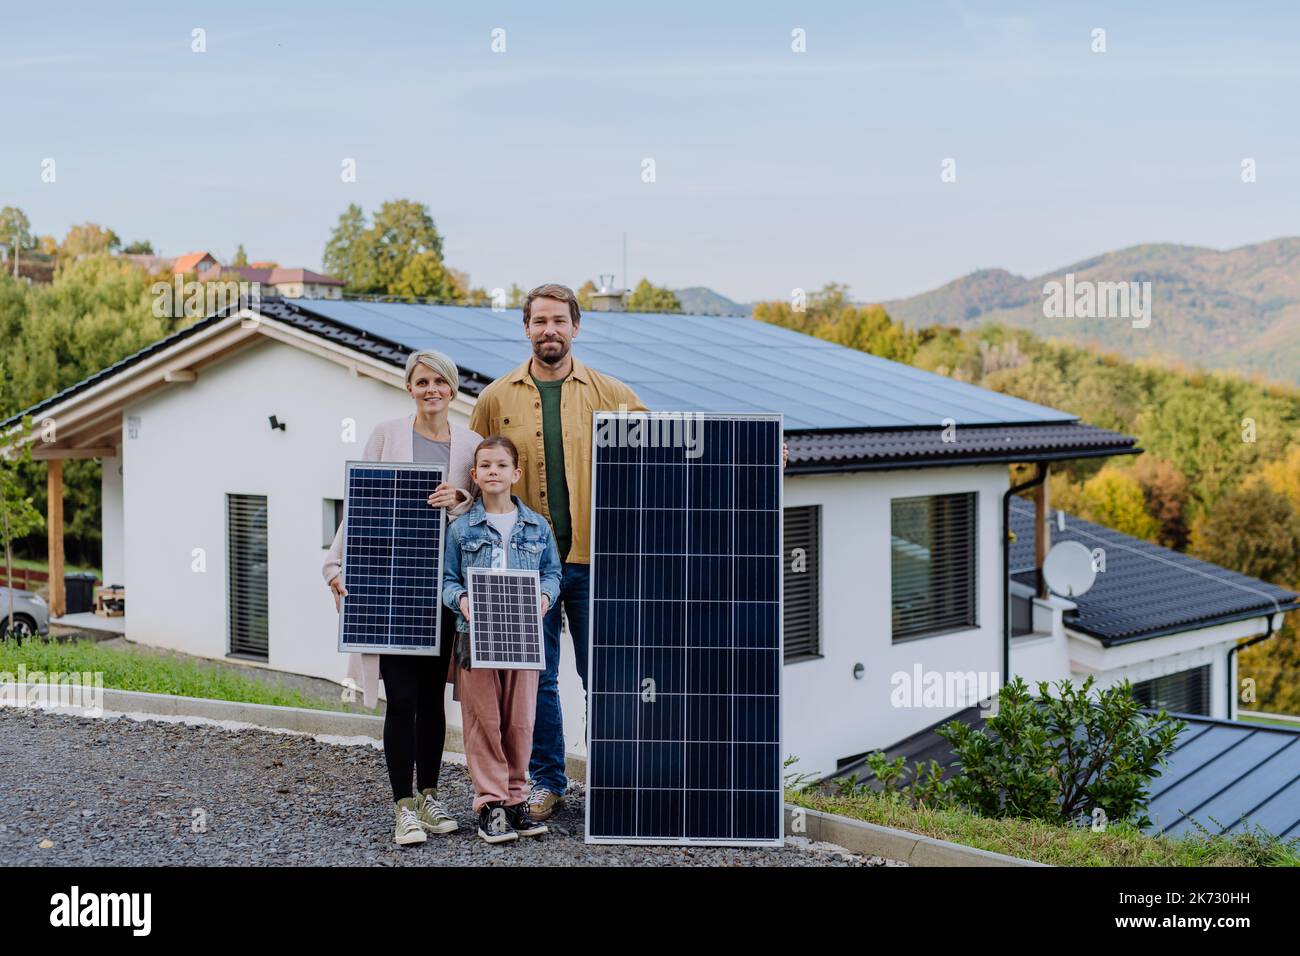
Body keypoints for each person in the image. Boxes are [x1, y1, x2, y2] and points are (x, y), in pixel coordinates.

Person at [469, 283, 647, 822]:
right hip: (522, 571)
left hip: (596, 560)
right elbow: (474, 473)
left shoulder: (613, 394)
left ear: (576, 327)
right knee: (536, 681)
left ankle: (615, 781)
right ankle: (547, 781)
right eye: (539, 320)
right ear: (526, 328)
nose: (550, 330)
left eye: (559, 321)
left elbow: (667, 453)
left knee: (606, 674)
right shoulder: (495, 399)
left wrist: (753, 455)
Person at [322, 349, 482, 847]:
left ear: (452, 389)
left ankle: (431, 795)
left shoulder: (471, 445)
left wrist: (461, 502)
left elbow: (480, 515)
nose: (431, 389)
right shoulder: (385, 434)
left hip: (444, 589)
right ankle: (403, 806)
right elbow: (361, 503)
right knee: (403, 700)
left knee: (434, 700)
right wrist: (335, 564)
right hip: (391, 586)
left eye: (440, 381)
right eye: (421, 381)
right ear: (408, 388)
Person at [441, 436, 562, 843]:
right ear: (474, 476)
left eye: (501, 465)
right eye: (485, 466)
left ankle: (516, 801)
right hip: (474, 638)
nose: (493, 472)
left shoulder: (537, 526)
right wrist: (461, 600)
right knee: (484, 722)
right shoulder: (460, 529)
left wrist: (545, 595)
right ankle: (490, 804)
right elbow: (446, 580)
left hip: (525, 636)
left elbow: (552, 573)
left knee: (521, 721)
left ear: (516, 473)